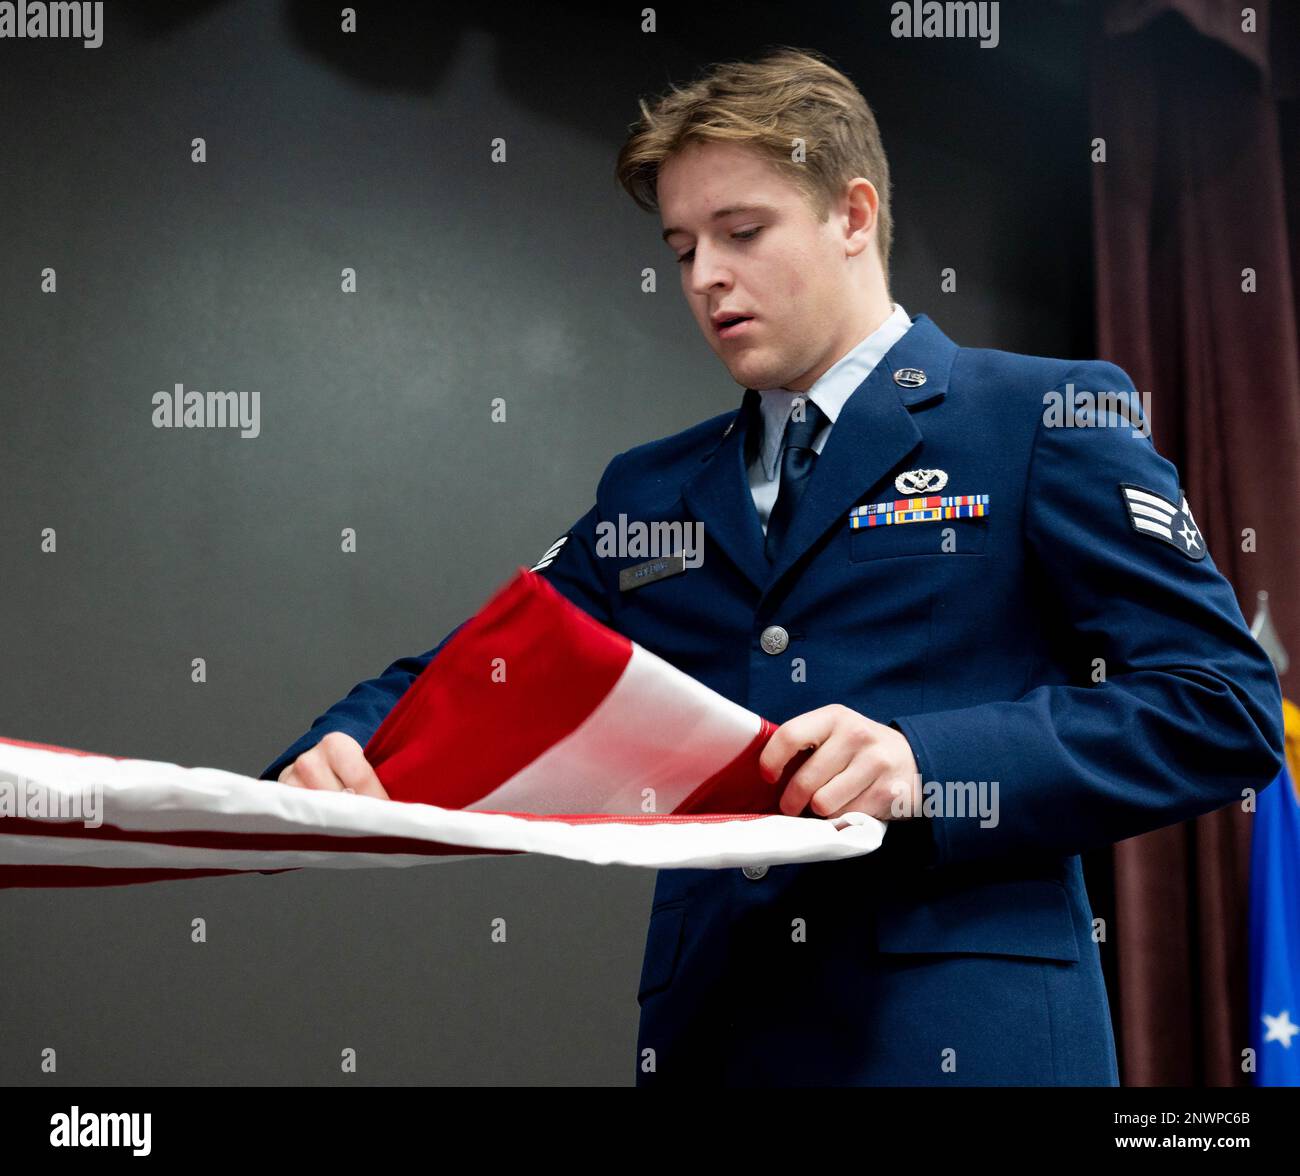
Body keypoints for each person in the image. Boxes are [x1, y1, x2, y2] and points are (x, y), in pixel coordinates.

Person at [259, 47, 1285, 1085]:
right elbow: (490, 663)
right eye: (680, 247)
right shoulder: (651, 490)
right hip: (717, 1033)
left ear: (851, 215)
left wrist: (927, 764)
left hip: (964, 1037)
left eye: (741, 232)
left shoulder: (1037, 418)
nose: (705, 276)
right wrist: (340, 746)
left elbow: (1220, 705)